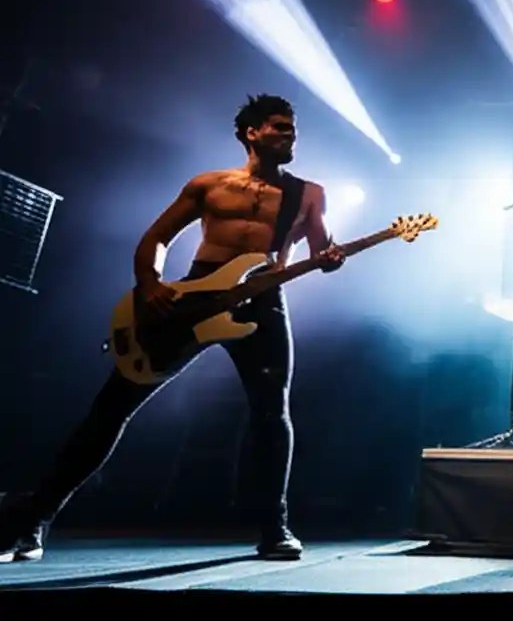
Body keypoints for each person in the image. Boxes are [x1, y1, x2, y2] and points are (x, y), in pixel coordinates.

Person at [0, 94, 345, 563]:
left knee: (271, 414)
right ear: (252, 132)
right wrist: (149, 284)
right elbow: (157, 237)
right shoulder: (208, 184)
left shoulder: (308, 194)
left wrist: (330, 259)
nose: (290, 135)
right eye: (280, 127)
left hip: (261, 302)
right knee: (112, 406)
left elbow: (321, 253)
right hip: (196, 293)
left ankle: (274, 529)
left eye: (292, 128)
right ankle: (33, 522)